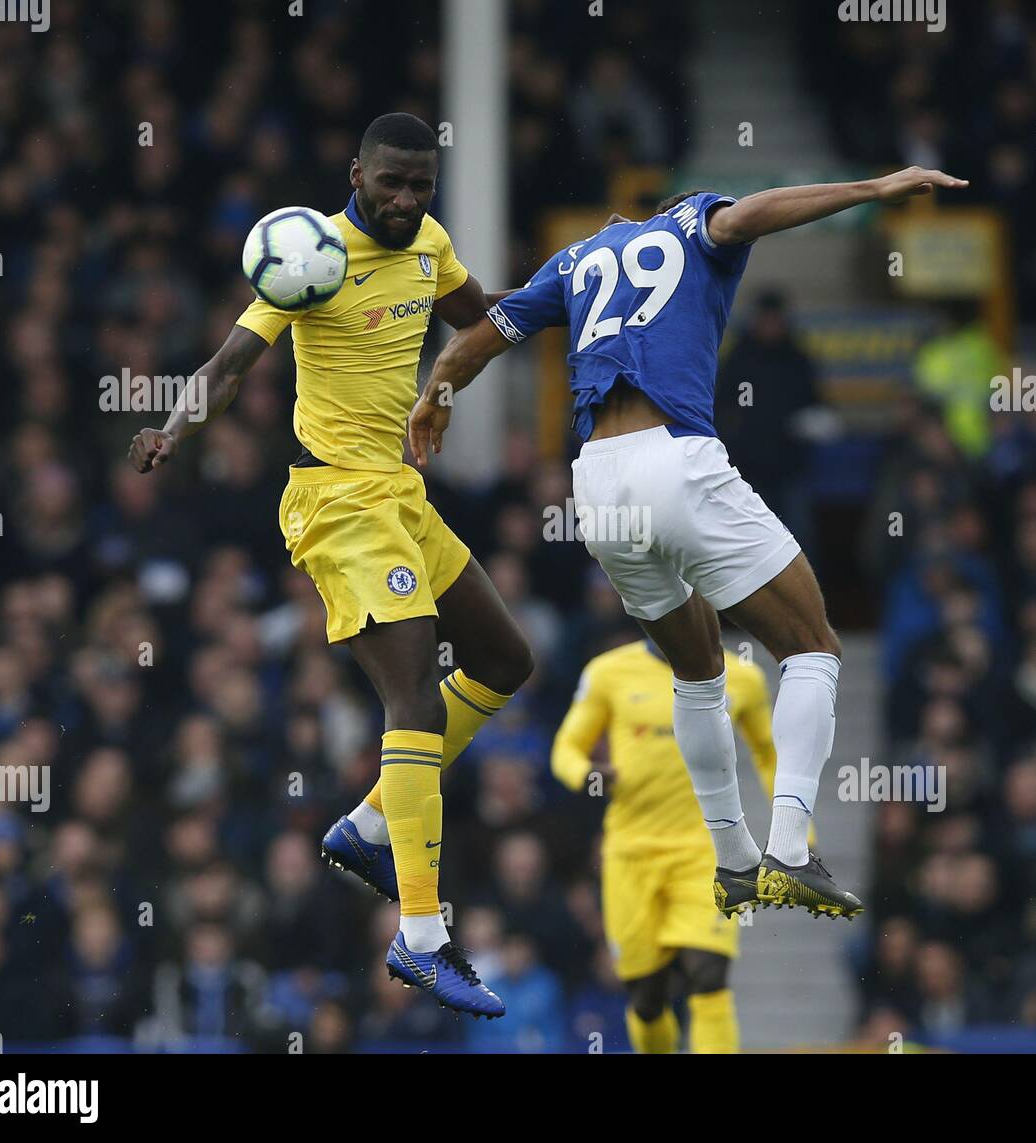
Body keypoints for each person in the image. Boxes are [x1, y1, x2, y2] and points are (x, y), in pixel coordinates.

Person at [410, 166, 968, 920]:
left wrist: (432, 400)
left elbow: (470, 343)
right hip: (675, 462)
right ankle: (791, 848)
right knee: (812, 647)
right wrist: (871, 191)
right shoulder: (689, 225)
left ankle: (733, 858)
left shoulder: (576, 262)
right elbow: (756, 213)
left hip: (595, 489)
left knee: (699, 668)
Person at [129, 113, 534, 1018]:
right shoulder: (309, 255)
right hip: (337, 506)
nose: (403, 199)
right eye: (389, 181)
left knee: (506, 659)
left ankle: (368, 823)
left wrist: (568, 299)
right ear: (356, 172)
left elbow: (483, 319)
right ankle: (422, 936)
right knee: (416, 695)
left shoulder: (429, 244)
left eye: (418, 185)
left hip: (399, 493)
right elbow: (229, 363)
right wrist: (175, 425)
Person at [552, 639, 775, 1053]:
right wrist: (586, 774)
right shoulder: (608, 672)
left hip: (709, 850)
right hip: (631, 855)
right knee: (647, 997)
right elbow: (565, 748)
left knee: (708, 977)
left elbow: (769, 752)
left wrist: (798, 829)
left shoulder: (743, 678)